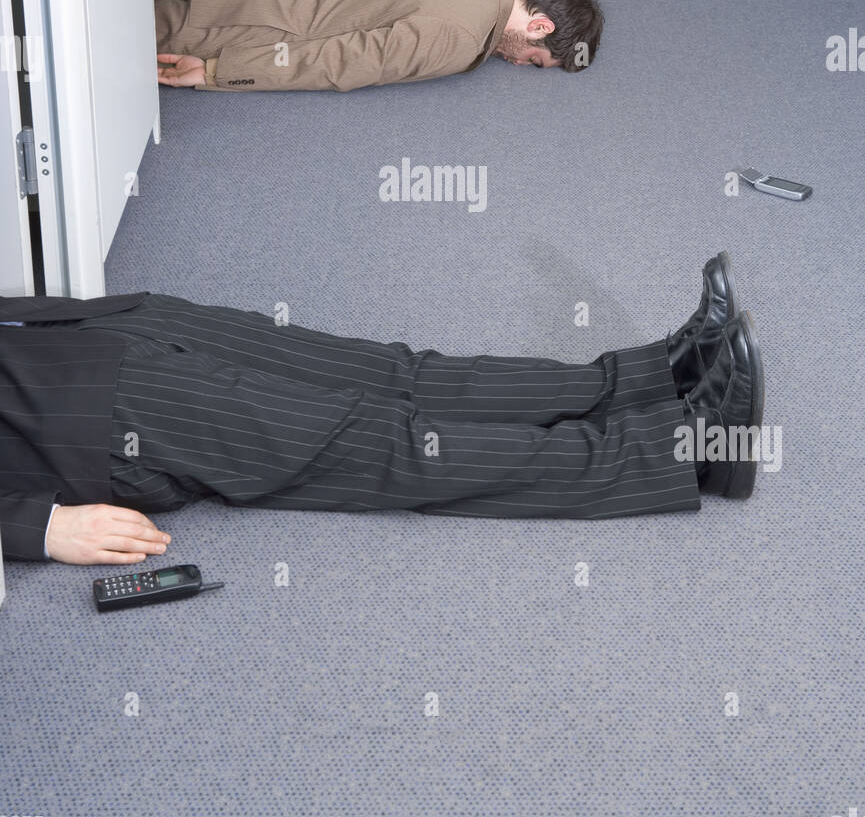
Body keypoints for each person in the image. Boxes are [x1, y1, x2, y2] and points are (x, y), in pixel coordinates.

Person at [0, 253, 763, 565]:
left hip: (86, 332)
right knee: (385, 443)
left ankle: (650, 380)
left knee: (395, 374)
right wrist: (38, 526)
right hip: (85, 420)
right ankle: (688, 455)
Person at [154, 0, 603, 91]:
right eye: (535, 59)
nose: (520, 64)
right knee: (88, 45)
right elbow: (339, 62)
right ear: (540, 26)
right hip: (237, 30)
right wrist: (216, 71)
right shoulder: (460, 38)